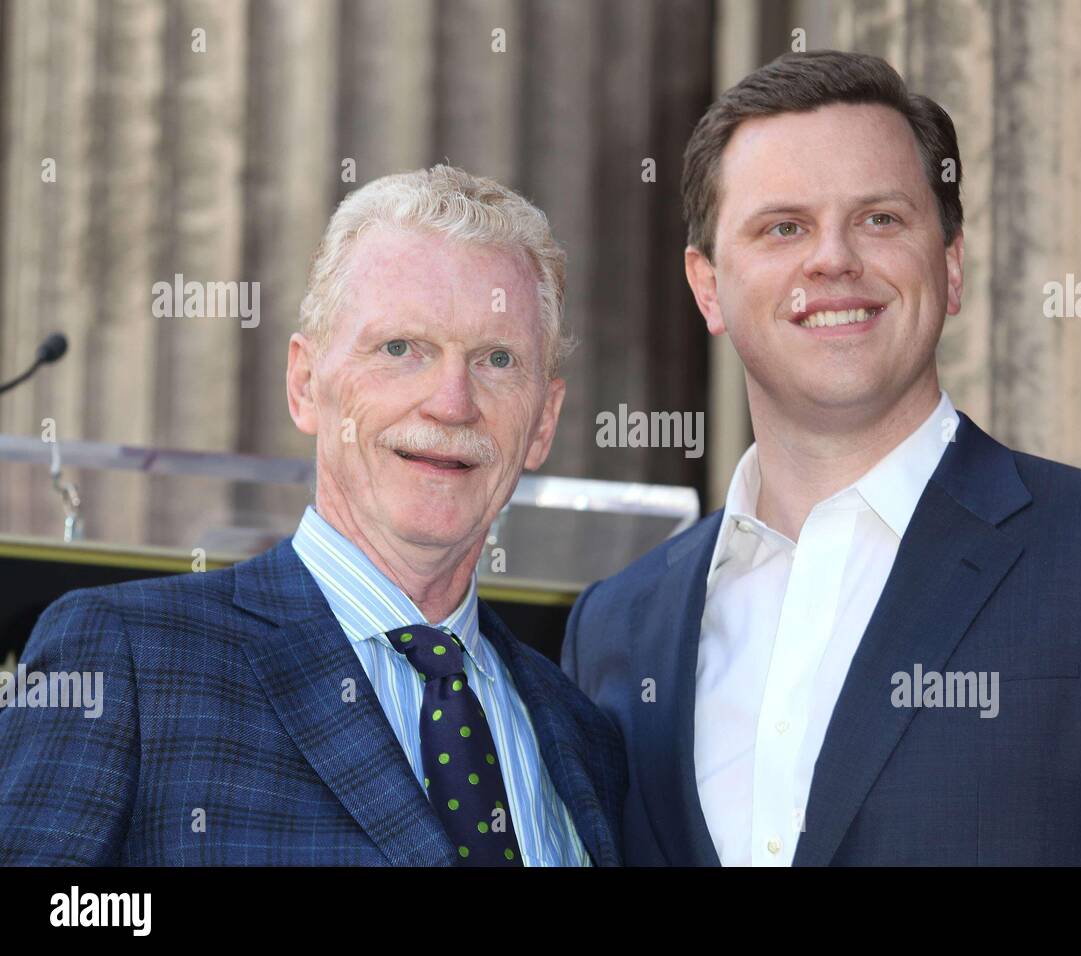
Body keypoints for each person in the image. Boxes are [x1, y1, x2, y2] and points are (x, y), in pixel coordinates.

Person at [561, 50, 1081, 865]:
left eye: (880, 219)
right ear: (708, 288)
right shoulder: (615, 625)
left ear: (949, 268)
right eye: (783, 227)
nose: (832, 259)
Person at [0, 166, 624, 867]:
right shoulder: (128, 660)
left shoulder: (582, 735)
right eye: (400, 349)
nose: (452, 402)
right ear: (305, 384)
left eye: (498, 359)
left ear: (543, 421)